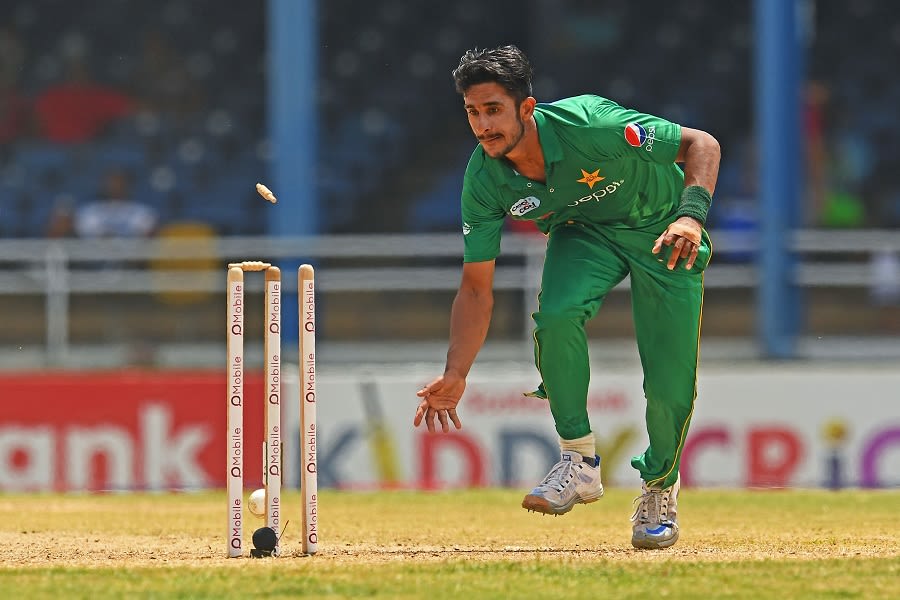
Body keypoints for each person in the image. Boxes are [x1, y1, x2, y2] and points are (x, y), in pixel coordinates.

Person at [413, 45, 720, 550]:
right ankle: (578, 460)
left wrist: (691, 215)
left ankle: (660, 486)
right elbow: (475, 288)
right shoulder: (484, 180)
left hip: (666, 230)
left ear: (526, 108)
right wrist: (457, 372)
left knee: (670, 382)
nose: (483, 125)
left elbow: (701, 144)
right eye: (473, 112)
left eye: (494, 110)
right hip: (585, 233)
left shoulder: (592, 124)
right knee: (555, 316)